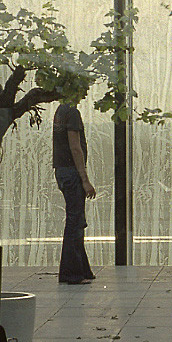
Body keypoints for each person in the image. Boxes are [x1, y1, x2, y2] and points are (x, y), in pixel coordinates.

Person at [52, 86, 96, 284]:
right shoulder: (73, 113)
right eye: (83, 89)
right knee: (75, 222)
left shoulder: (61, 110)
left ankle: (82, 270)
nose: (85, 93)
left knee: (76, 220)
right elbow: (75, 147)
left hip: (62, 171)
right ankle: (71, 274)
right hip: (71, 173)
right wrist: (85, 180)